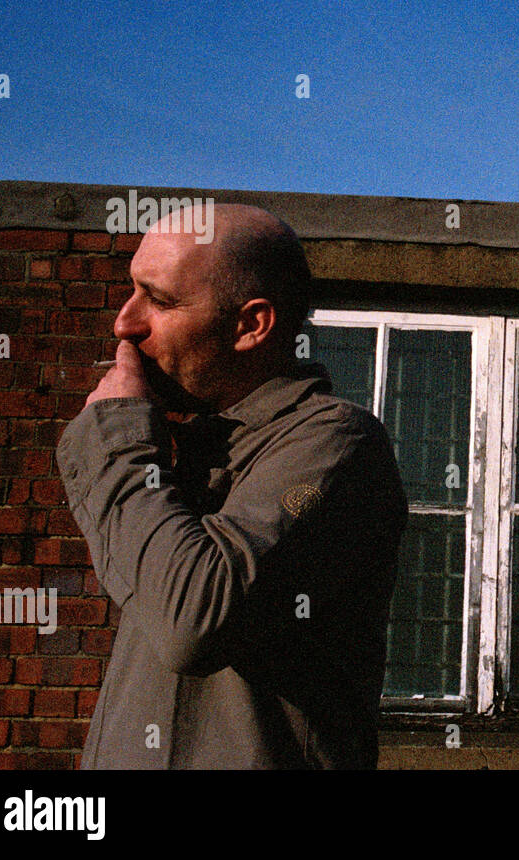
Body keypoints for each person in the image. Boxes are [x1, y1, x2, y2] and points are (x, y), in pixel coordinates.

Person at [55, 203, 407, 768]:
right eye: (132, 290)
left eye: (160, 300)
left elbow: (192, 619)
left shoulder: (335, 445)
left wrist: (118, 438)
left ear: (251, 325)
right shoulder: (187, 452)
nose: (124, 322)